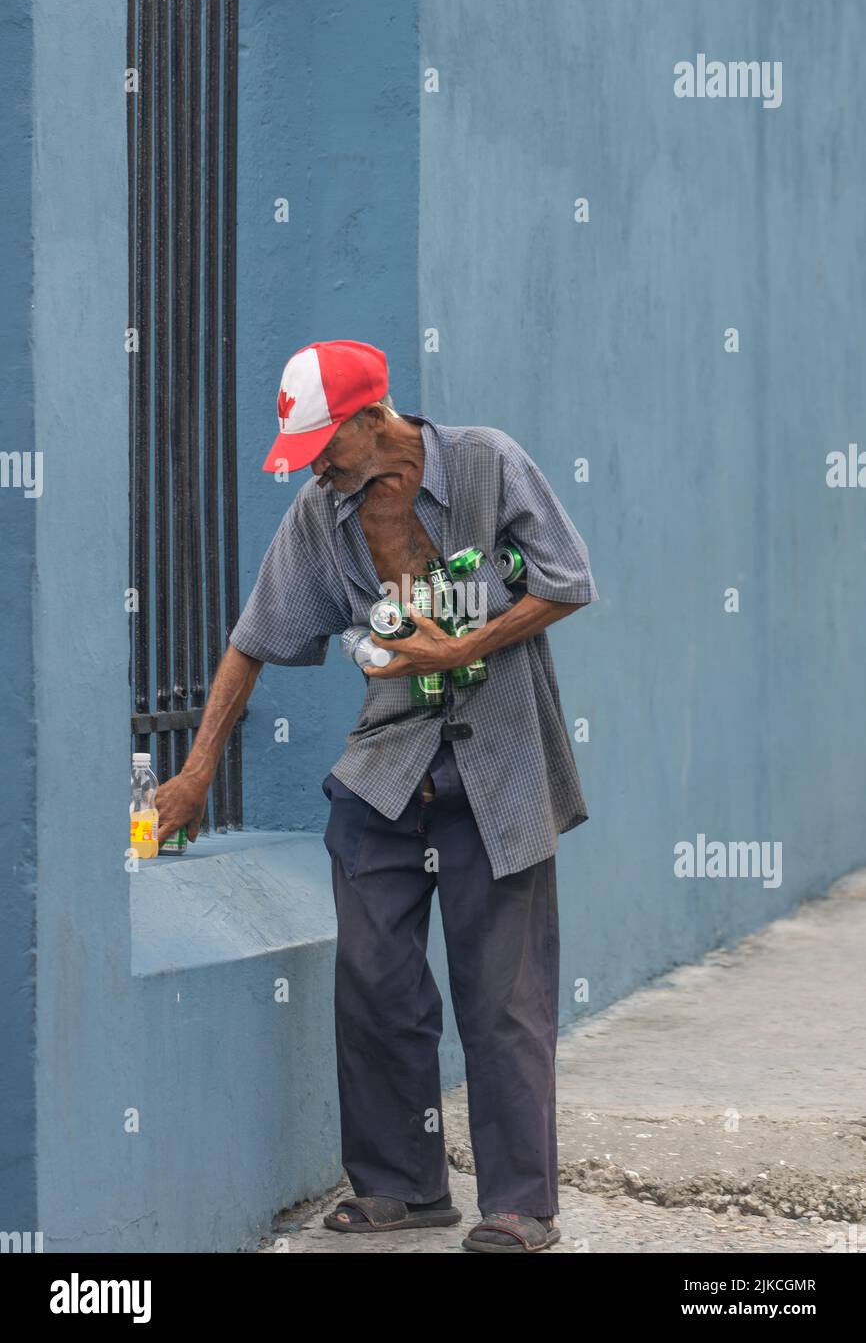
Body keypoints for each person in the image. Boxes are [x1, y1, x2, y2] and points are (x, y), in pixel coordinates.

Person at [156, 339, 598, 1253]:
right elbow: (253, 638)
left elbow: (567, 580)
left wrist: (463, 647)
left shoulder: (486, 462)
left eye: (328, 442)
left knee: (502, 991)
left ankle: (519, 1206)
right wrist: (197, 773)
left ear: (373, 415)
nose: (318, 463)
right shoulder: (321, 514)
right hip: (390, 767)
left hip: (500, 766)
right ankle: (401, 1185)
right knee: (374, 979)